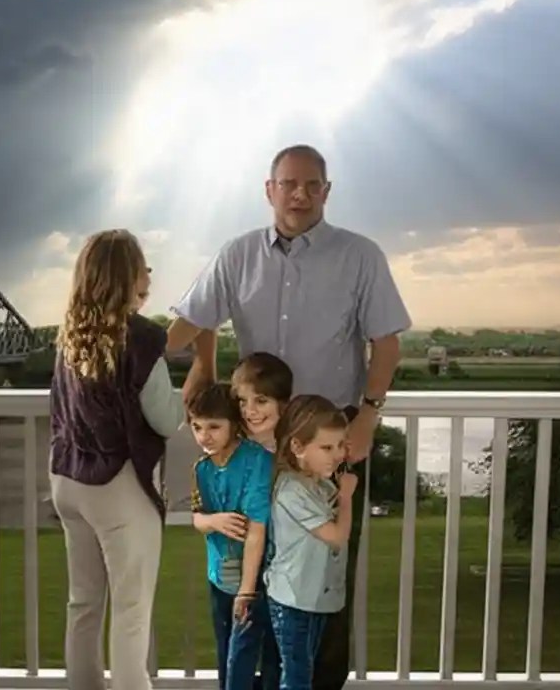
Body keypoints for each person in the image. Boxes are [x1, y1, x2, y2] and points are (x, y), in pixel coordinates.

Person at [167, 144, 410, 689]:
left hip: (326, 440)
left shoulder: (360, 255)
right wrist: (200, 366)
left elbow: (387, 346)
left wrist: (368, 416)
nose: (300, 194)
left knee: (320, 574)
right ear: (269, 189)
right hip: (256, 439)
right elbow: (191, 319)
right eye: (289, 183)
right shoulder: (237, 254)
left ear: (327, 191)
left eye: (312, 184)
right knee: (249, 571)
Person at [49, 229, 184, 690]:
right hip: (117, 486)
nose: (149, 276)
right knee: (131, 612)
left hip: (67, 479)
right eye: (143, 268)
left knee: (83, 605)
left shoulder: (71, 330)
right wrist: (197, 386)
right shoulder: (141, 338)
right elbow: (167, 420)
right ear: (126, 276)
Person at [265, 395, 356, 690]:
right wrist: (346, 497)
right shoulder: (292, 489)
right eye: (327, 447)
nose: (337, 454)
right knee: (296, 676)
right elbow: (336, 536)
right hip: (293, 599)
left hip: (313, 598)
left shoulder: (318, 483)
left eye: (341, 445)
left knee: (305, 670)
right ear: (297, 447)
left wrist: (338, 487)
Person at [186, 381, 273, 690]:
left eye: (213, 426)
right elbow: (196, 517)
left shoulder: (257, 461)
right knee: (227, 656)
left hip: (255, 580)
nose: (203, 436)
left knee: (252, 658)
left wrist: (247, 591)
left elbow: (257, 528)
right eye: (196, 427)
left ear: (234, 425)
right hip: (218, 577)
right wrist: (213, 521)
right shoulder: (202, 468)